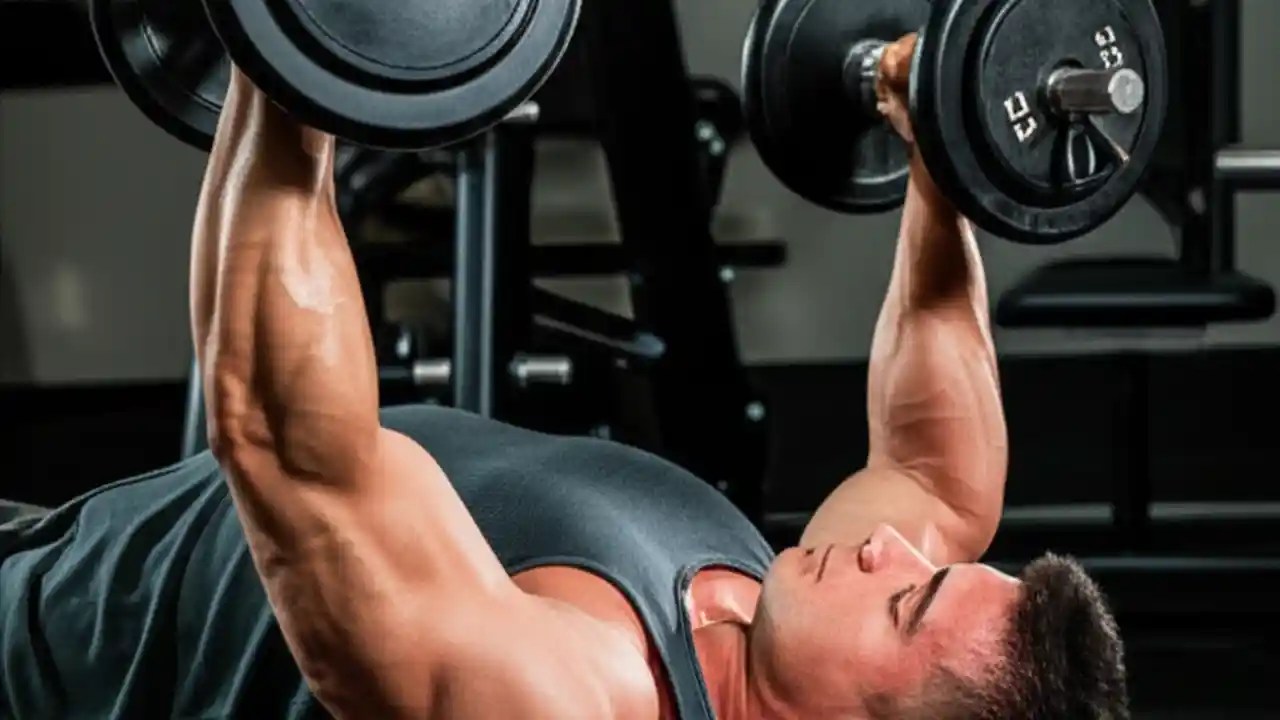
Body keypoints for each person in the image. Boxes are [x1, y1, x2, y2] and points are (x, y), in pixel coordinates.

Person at [0, 35, 1127, 719]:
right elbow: (934, 477)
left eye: (905, 600)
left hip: (42, 651)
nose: (897, 551)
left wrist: (305, 70)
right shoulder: (784, 615)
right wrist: (937, 148)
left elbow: (294, 450)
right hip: (83, 548)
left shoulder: (571, 698)